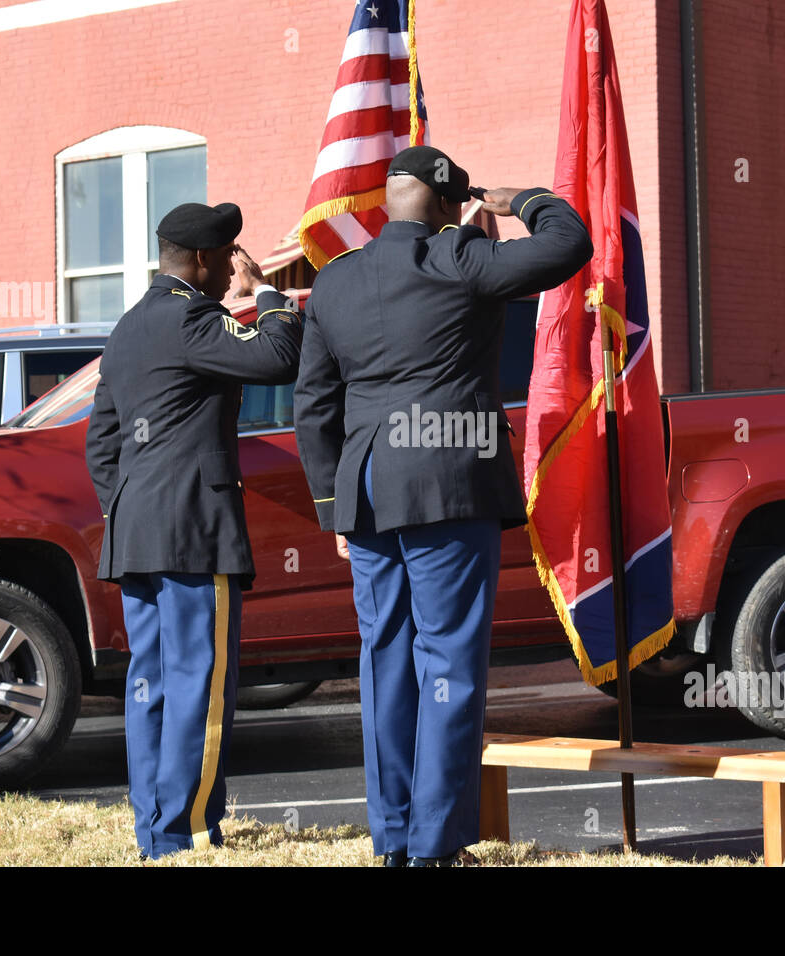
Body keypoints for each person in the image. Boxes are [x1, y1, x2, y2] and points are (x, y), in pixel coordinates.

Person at [293, 146, 592, 866]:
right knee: (449, 664)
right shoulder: (461, 258)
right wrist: (522, 200)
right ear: (451, 203)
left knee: (384, 664)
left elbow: (313, 406)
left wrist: (334, 506)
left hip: (366, 491)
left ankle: (392, 839)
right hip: (445, 483)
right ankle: (435, 845)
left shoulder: (334, 281)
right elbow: (569, 243)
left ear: (390, 201)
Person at [85, 201, 303, 859]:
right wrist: (265, 292)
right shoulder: (192, 317)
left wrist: (128, 509)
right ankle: (189, 832)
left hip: (139, 535)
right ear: (205, 260)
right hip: (194, 532)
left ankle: (156, 828)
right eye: (225, 258)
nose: (227, 271)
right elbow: (278, 355)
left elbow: (102, 441)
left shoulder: (126, 327)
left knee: (148, 683)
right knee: (198, 683)